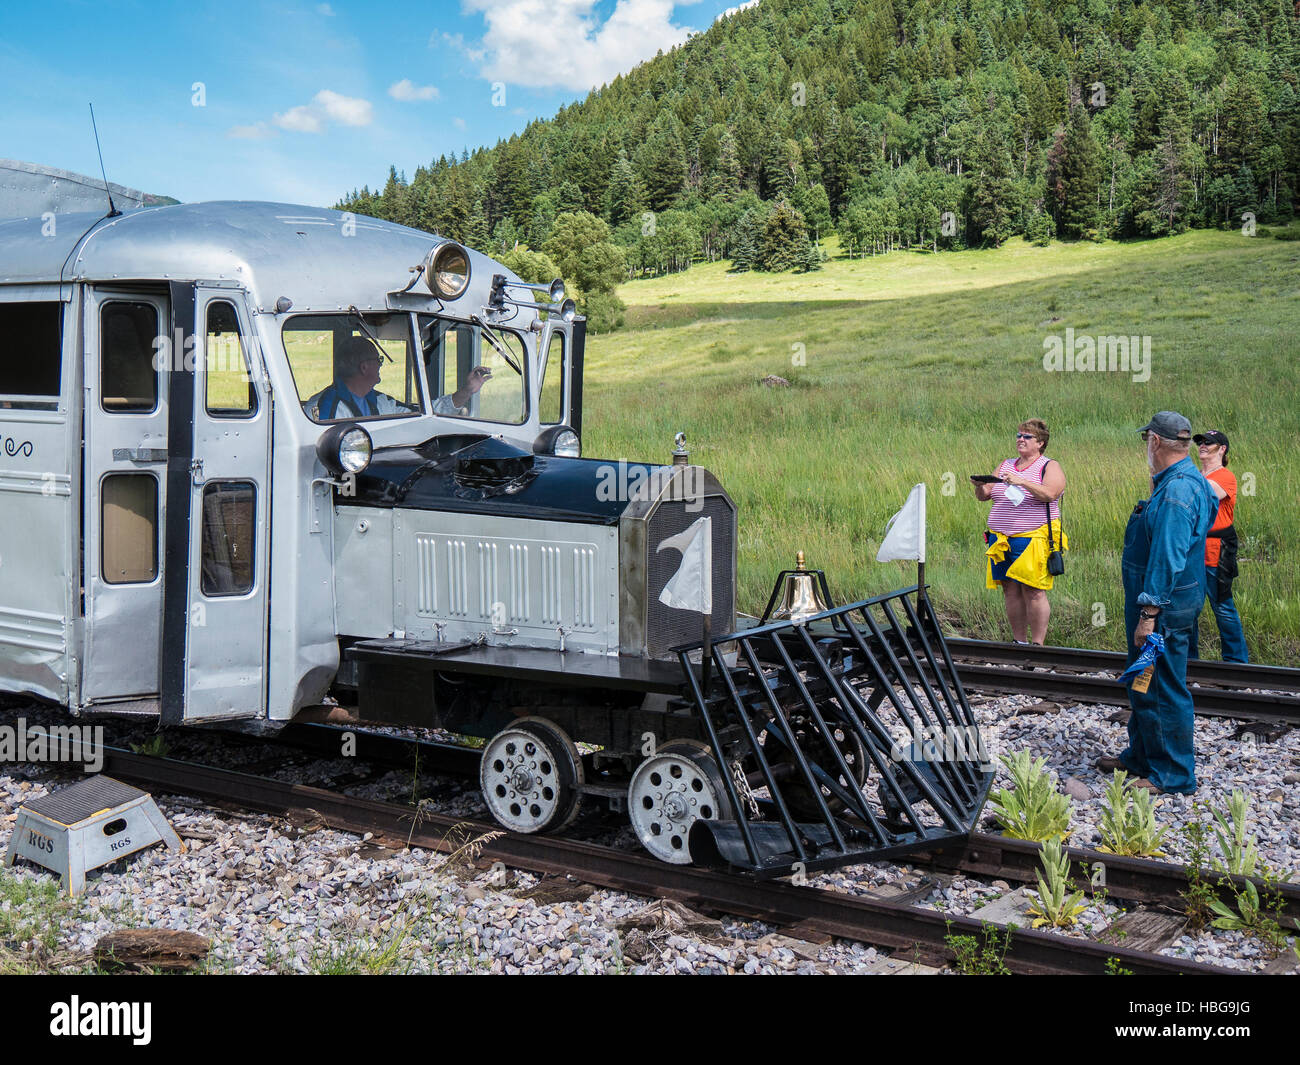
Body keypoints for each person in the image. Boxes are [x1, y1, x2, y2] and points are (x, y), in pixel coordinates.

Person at [1097, 412, 1218, 795]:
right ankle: (1141, 756)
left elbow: (1168, 556)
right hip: (1170, 600)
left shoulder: (1177, 492)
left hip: (1162, 608)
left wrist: (1149, 613)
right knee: (1143, 681)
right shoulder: (1186, 481)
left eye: (1146, 439)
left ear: (1155, 442)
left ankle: (1174, 775)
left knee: (1163, 686)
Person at [971, 418, 1067, 645]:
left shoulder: (1049, 466)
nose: (1020, 440)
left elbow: (1050, 493)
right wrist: (979, 486)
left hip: (1032, 537)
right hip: (1001, 538)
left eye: (1027, 437)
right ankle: (1019, 642)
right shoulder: (1006, 464)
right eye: (1018, 436)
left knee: (1033, 590)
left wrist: (1022, 482)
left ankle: (1037, 644)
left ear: (1041, 443)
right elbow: (986, 495)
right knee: (1009, 588)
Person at [1191, 429, 1247, 662]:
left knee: (1223, 608)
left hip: (1216, 552)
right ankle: (1188, 660)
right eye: (1200, 442)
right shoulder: (1194, 475)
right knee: (1187, 611)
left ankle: (1236, 663)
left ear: (1222, 449)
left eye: (1208, 442)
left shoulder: (1225, 477)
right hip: (1191, 550)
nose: (1202, 445)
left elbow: (1200, 494)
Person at [305, 336, 412, 420]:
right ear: (364, 367)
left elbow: (416, 415)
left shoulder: (381, 400)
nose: (380, 365)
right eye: (378, 360)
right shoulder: (326, 407)